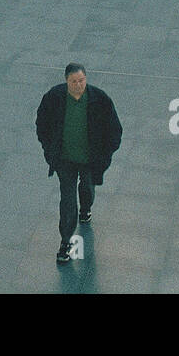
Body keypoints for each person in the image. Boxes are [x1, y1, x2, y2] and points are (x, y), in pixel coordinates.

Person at [35, 64, 123, 264]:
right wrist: (50, 150)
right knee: (67, 200)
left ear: (86, 79)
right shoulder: (54, 98)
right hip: (64, 160)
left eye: (81, 80)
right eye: (73, 82)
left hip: (90, 160)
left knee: (87, 187)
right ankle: (66, 242)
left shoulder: (100, 100)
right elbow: (42, 124)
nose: (78, 85)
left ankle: (86, 208)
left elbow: (114, 129)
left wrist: (105, 154)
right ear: (66, 81)